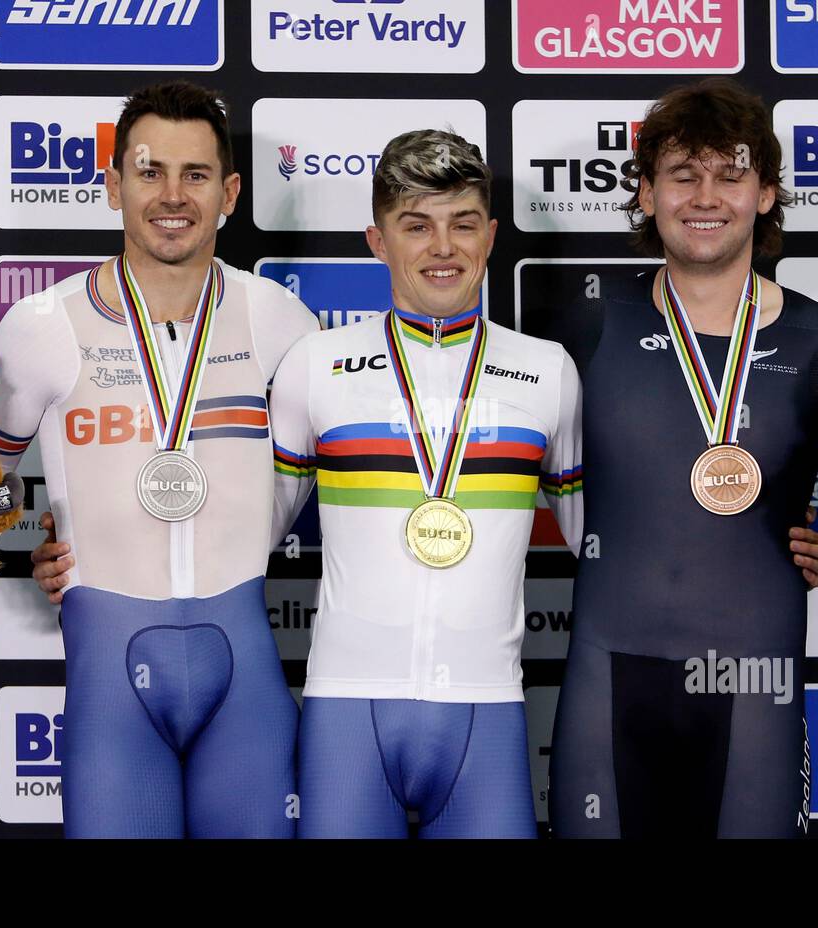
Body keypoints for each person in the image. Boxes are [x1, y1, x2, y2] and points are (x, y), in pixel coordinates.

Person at [0, 81, 318, 837]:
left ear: (230, 192)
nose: (171, 195)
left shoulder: (285, 323)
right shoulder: (42, 324)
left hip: (247, 678)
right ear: (114, 181)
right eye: (150, 171)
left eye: (195, 175)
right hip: (109, 683)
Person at [548, 78, 818, 838]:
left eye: (731, 174)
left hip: (758, 681)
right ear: (646, 193)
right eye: (683, 174)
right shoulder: (586, 319)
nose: (706, 196)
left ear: (767, 193)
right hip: (607, 677)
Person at [267, 129, 583, 838]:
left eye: (462, 224)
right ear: (378, 240)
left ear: (491, 235)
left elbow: (603, 541)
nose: (443, 248)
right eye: (417, 226)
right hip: (347, 711)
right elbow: (243, 533)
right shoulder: (314, 364)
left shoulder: (547, 370)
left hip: (489, 709)